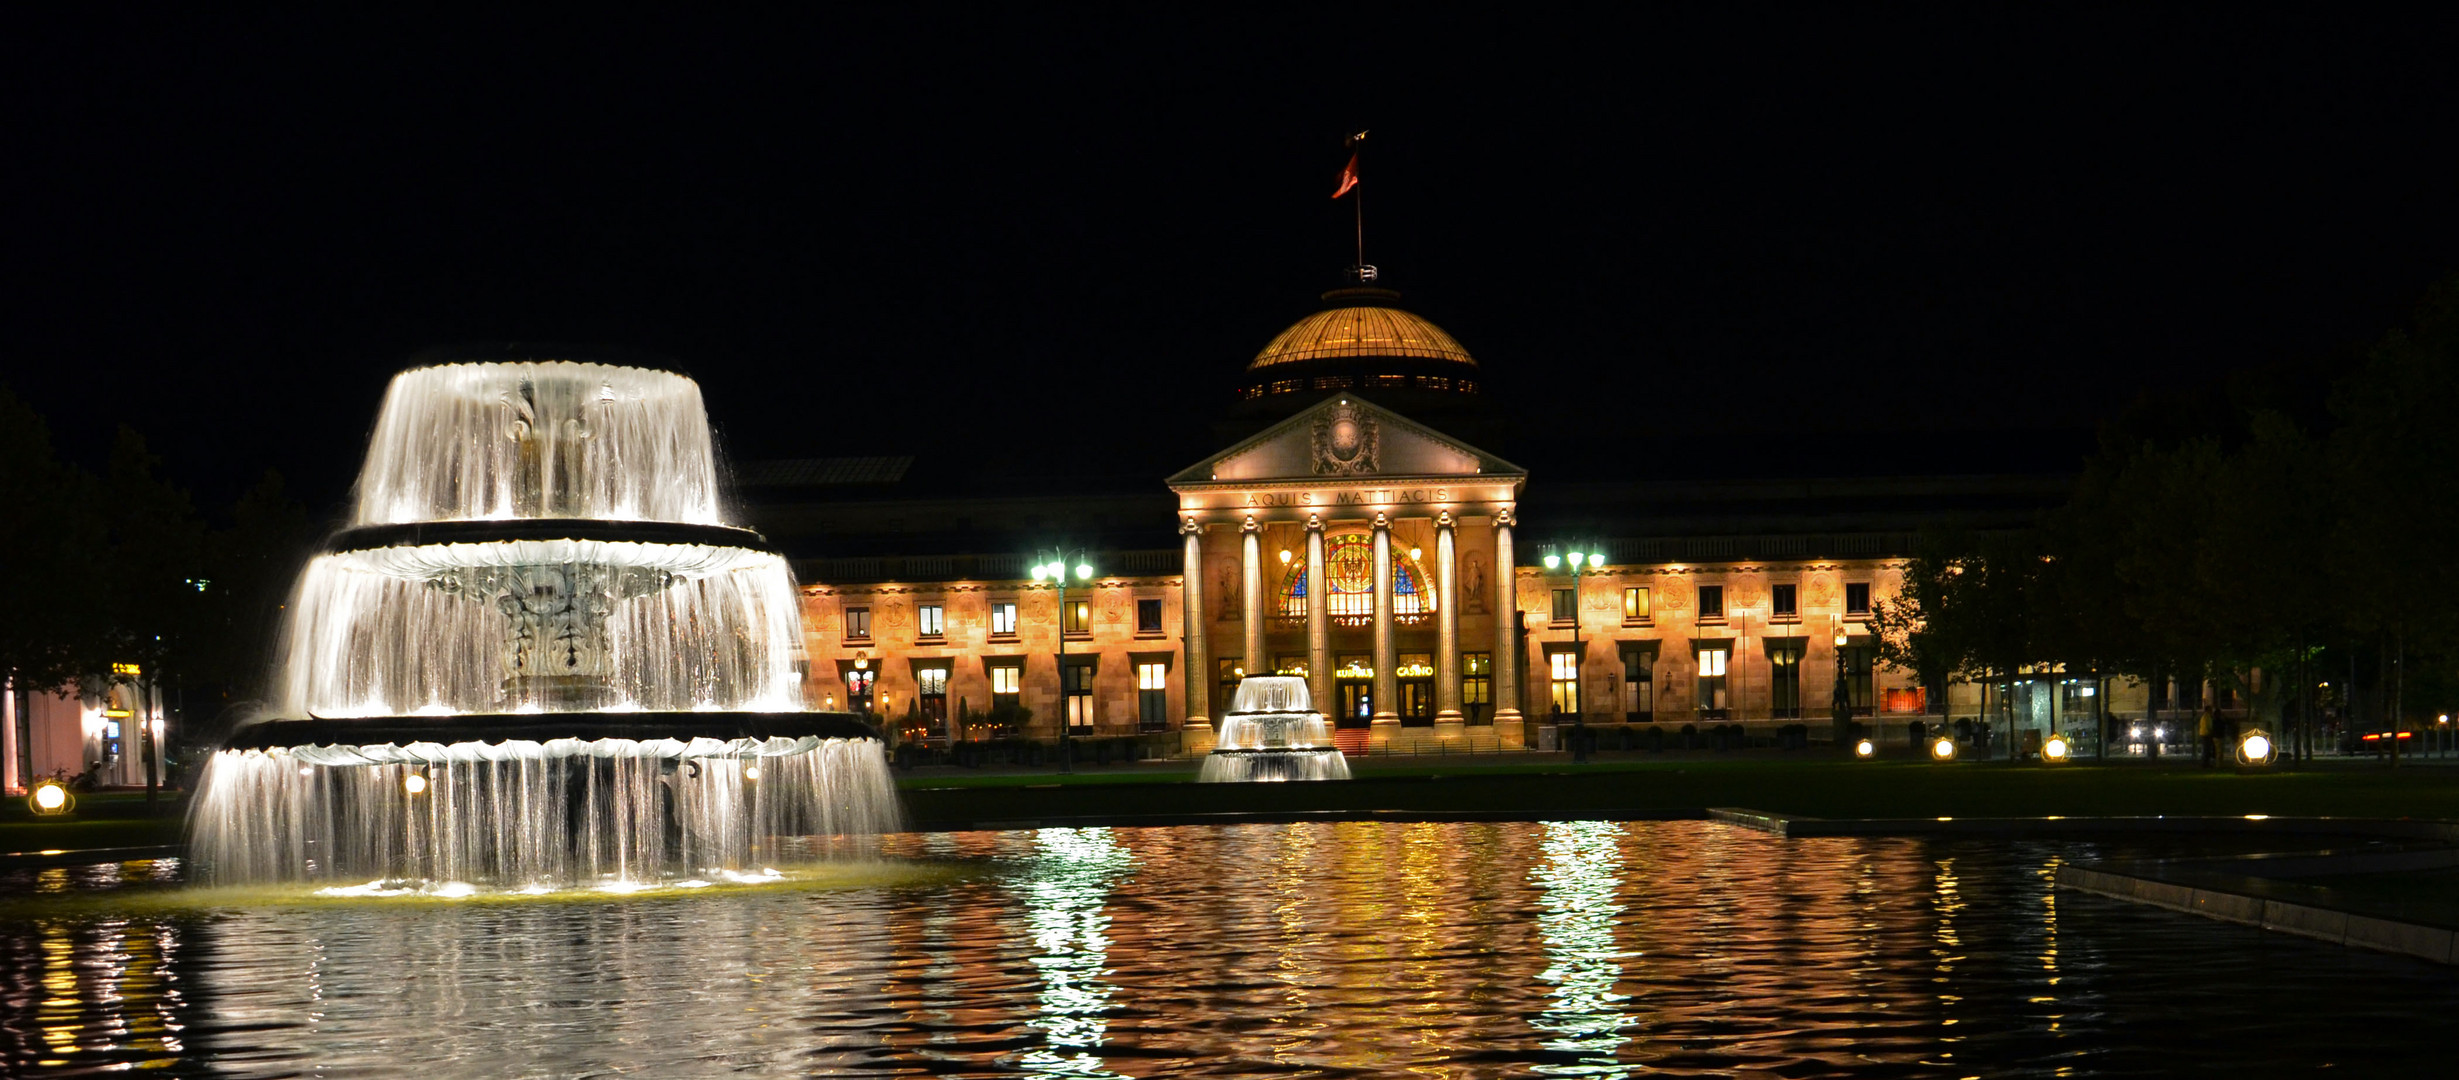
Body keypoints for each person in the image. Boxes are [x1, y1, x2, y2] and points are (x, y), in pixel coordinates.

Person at [2198, 703, 2217, 767]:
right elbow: (2208, 726)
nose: (2212, 711)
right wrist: (2211, 732)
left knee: (2206, 749)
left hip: (2204, 734)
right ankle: (2205, 763)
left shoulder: (2204, 716)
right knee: (2207, 750)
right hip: (2206, 735)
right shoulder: (2207, 717)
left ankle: (2205, 763)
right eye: (2211, 710)